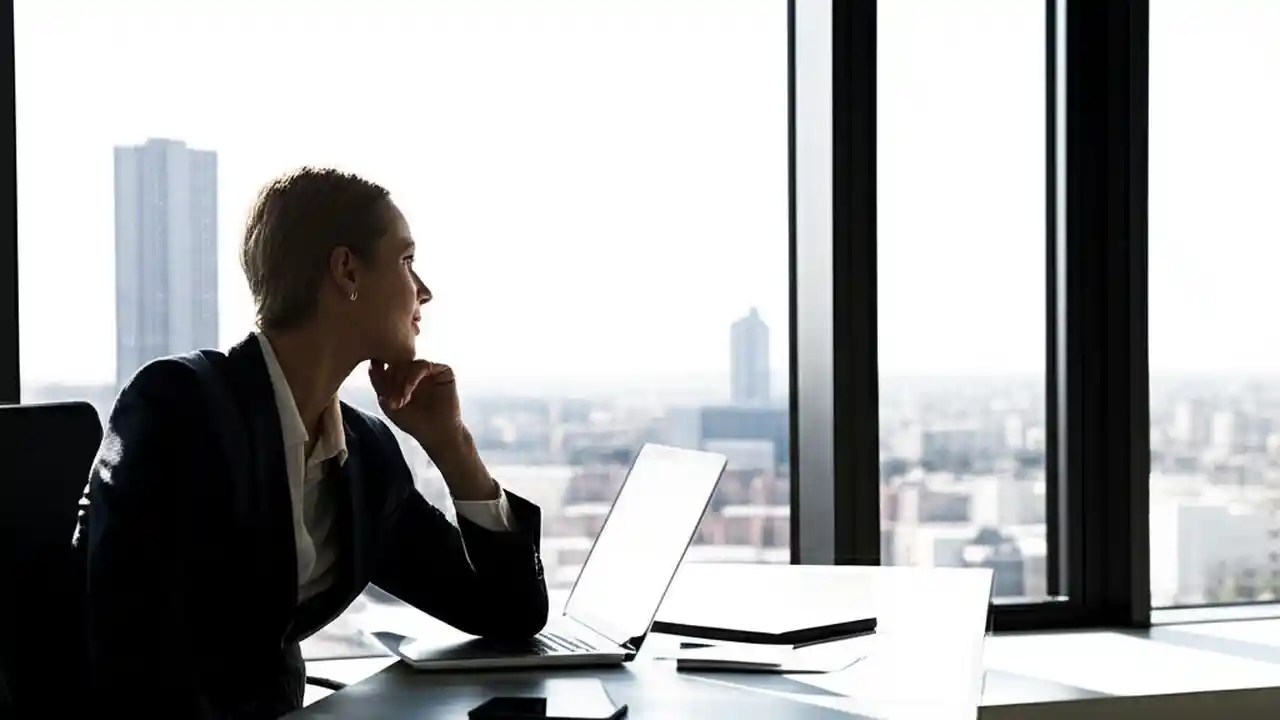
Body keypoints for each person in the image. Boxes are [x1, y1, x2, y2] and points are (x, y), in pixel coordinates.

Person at [73, 167, 549, 718]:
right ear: (346, 269)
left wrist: (453, 445)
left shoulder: (364, 455)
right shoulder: (180, 405)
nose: (424, 291)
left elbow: (509, 613)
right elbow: (129, 650)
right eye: (406, 261)